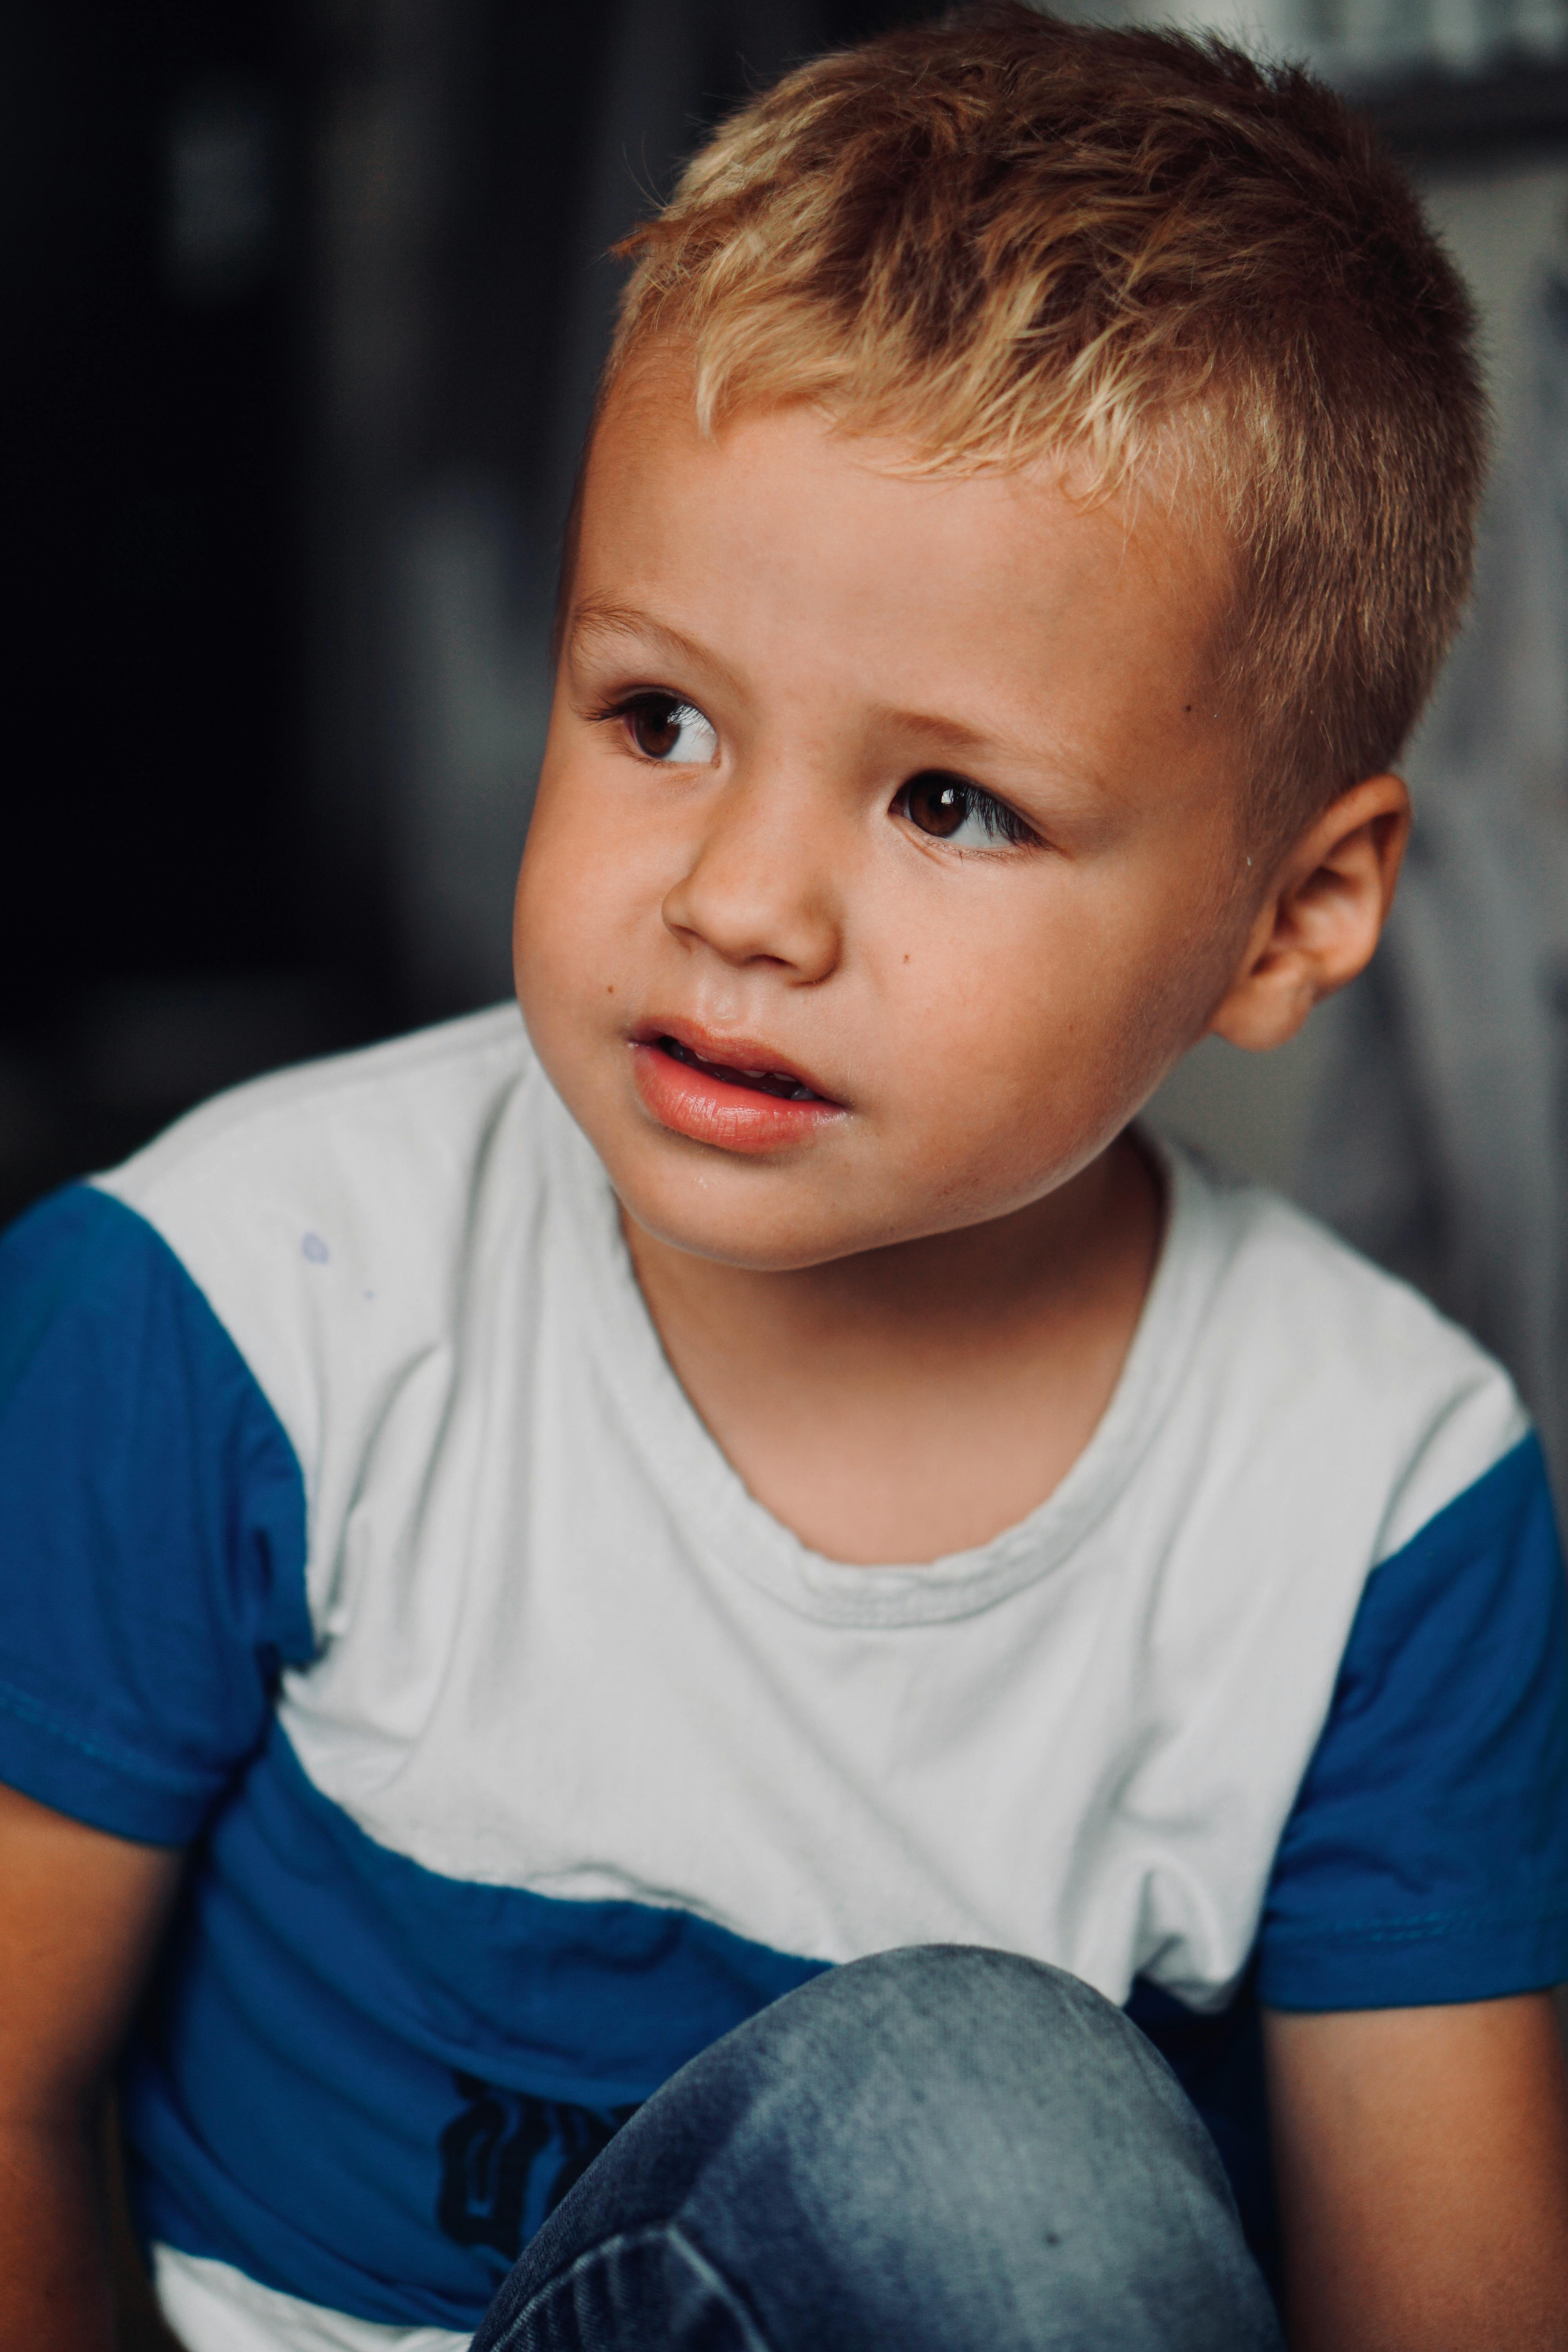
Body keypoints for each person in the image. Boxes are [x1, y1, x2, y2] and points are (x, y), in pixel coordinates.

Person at [4, 7, 1568, 2348]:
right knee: (984, 2128)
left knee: (993, 2136)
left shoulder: (1376, 1505)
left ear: (1291, 921)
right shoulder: (240, 1301)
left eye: (949, 801)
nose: (742, 902)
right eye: (659, 717)